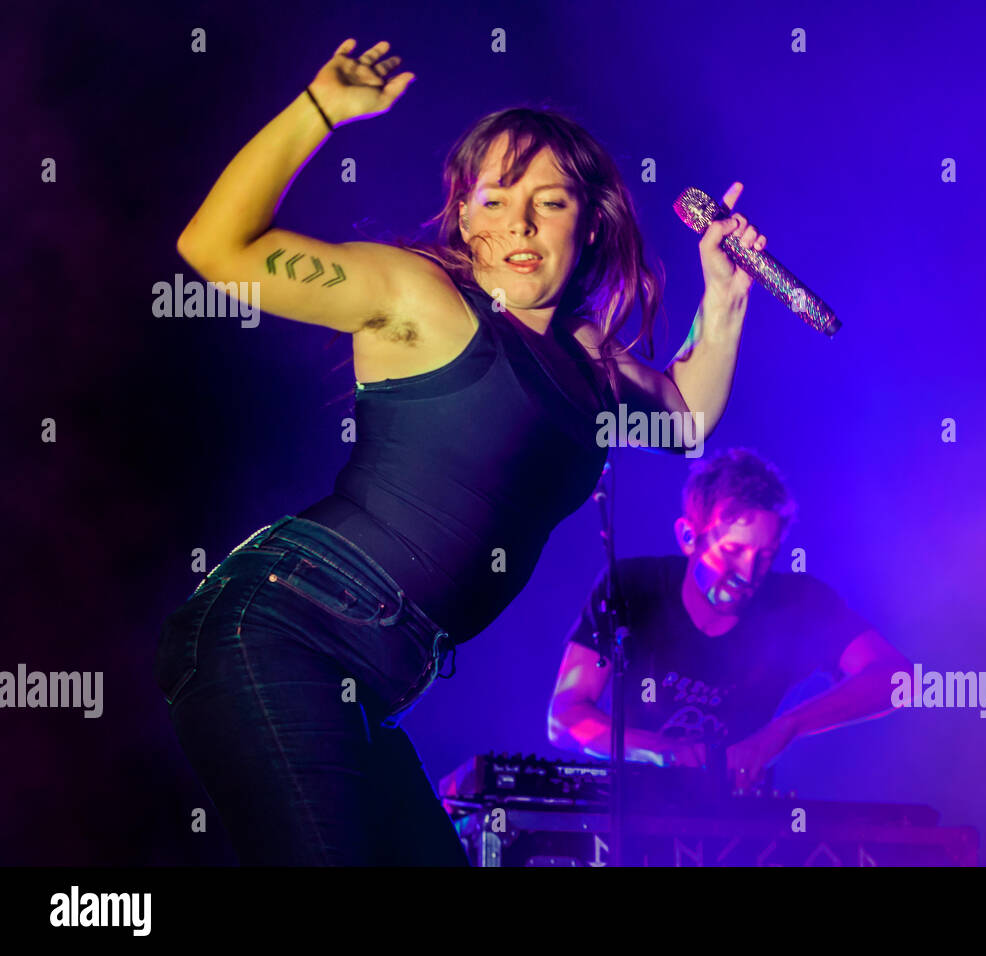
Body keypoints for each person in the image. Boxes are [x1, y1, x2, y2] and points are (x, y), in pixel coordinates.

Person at [154, 37, 768, 865]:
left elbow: (685, 418)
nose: (518, 222)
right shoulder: (421, 298)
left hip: (372, 681)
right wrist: (320, 112)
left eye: (549, 202)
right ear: (464, 218)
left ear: (589, 225)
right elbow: (215, 249)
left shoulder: (590, 364)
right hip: (280, 629)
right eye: (494, 199)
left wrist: (724, 295)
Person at [547, 448, 911, 791]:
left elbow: (899, 680)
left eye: (766, 555)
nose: (748, 573)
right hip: (636, 814)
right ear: (689, 537)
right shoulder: (632, 586)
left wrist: (785, 729)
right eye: (733, 551)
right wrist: (658, 751)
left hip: (741, 824)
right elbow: (565, 716)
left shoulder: (797, 603)